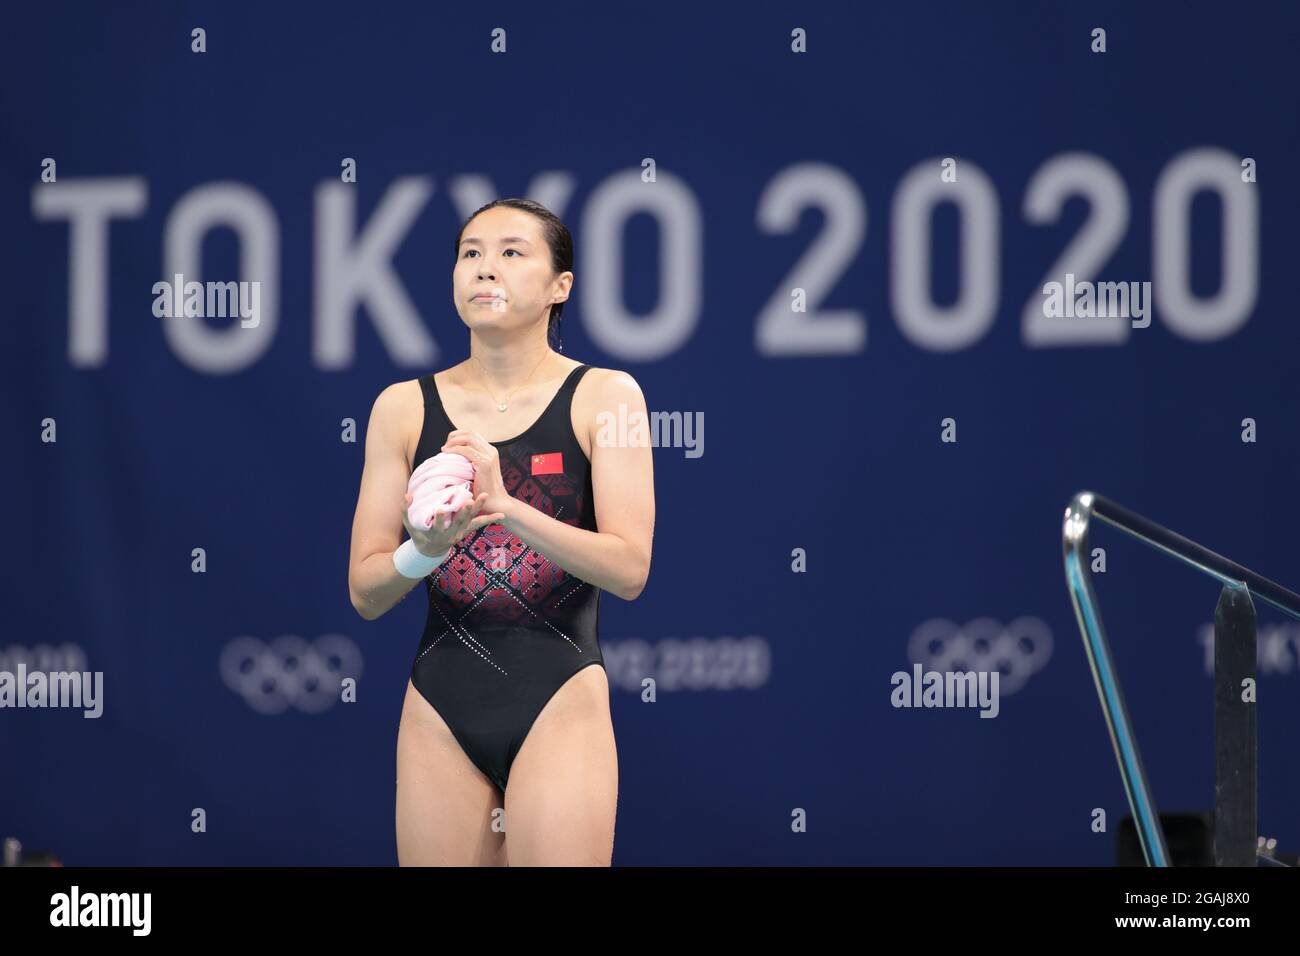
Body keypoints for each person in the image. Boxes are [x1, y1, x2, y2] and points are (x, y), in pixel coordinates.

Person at [347, 198, 655, 866]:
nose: (486, 269)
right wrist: (423, 549)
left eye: (513, 252)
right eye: (470, 253)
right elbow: (366, 592)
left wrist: (506, 506)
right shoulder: (401, 409)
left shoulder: (608, 398)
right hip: (438, 704)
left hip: (559, 697)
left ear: (559, 286)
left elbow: (630, 569)